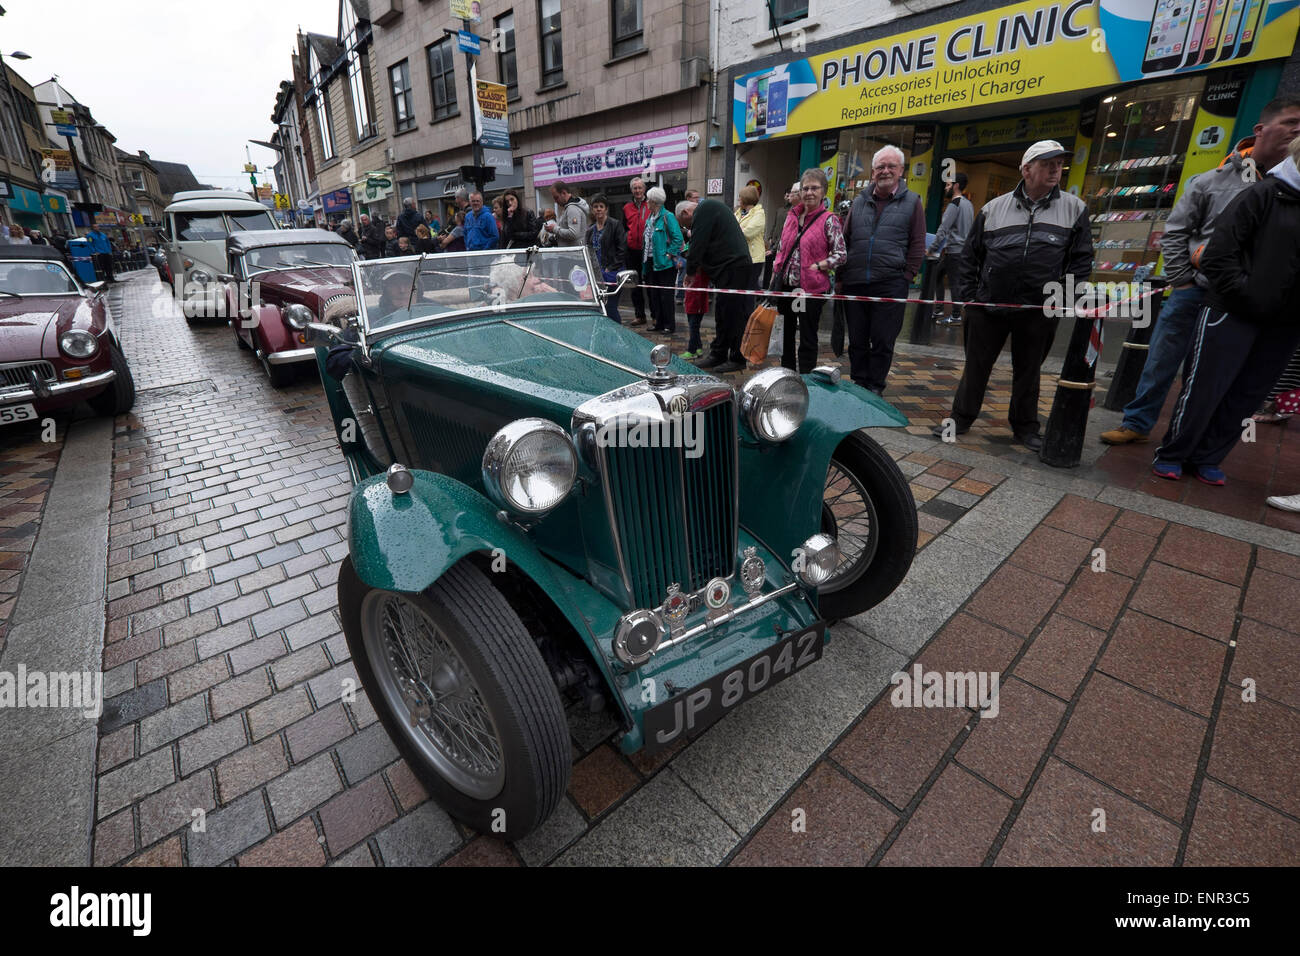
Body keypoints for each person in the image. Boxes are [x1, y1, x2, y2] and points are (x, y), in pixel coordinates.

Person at [1101, 96, 1300, 445]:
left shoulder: (1292, 189)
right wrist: (1182, 281)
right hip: (1196, 289)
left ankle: (1194, 442)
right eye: (1290, 122)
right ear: (1260, 129)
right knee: (1162, 360)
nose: (1297, 131)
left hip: (1243, 300)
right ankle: (1137, 422)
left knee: (1216, 374)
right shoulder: (1213, 179)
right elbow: (1176, 233)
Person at [1149, 138, 1300, 484]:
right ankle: (1173, 452)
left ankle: (1209, 457)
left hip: (1285, 324)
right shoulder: (1264, 194)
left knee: (1249, 393)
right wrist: (1247, 294)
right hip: (1232, 311)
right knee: (1205, 386)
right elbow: (1219, 253)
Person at [933, 140, 1093, 451]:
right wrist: (970, 298)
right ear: (1026, 169)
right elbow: (970, 257)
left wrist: (1063, 298)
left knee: (1029, 371)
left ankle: (1025, 427)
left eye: (1059, 163)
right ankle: (960, 418)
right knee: (976, 367)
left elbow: (1081, 258)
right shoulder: (994, 208)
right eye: (1048, 163)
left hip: (1039, 309)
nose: (1055, 169)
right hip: (988, 307)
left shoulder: (1075, 209)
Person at [841, 145, 925, 394]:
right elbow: (845, 239)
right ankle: (859, 381)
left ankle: (875, 385)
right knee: (856, 339)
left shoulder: (912, 202)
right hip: (856, 281)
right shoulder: (859, 201)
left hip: (890, 282)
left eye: (891, 166)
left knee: (882, 339)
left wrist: (907, 275)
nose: (885, 171)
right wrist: (841, 277)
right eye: (880, 167)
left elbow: (918, 242)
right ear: (873, 171)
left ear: (900, 170)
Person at [770, 168, 847, 375]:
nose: (809, 192)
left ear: (824, 191)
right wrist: (775, 273)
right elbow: (781, 249)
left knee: (807, 336)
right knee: (786, 334)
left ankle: (807, 379)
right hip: (786, 286)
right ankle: (787, 375)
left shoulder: (829, 219)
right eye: (805, 188)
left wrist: (819, 265)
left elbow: (841, 254)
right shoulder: (791, 215)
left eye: (814, 188)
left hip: (810, 289)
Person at [677, 196, 753, 372]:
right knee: (723, 312)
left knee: (734, 315)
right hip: (728, 268)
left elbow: (698, 242)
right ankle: (718, 354)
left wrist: (690, 272)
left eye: (687, 225)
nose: (689, 229)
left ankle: (737, 358)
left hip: (734, 267)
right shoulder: (709, 209)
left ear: (686, 212)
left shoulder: (705, 209)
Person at [928, 172, 973, 325]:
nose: (946, 188)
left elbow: (943, 228)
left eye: (948, 185)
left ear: (956, 186)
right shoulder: (968, 204)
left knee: (954, 283)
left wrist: (932, 248)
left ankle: (955, 316)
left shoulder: (955, 204)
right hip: (960, 251)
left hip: (954, 251)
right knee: (938, 275)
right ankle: (939, 308)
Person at [641, 186, 683, 335]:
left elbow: (678, 238)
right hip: (651, 261)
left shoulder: (668, 216)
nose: (646, 202)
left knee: (666, 296)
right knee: (654, 295)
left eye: (649, 200)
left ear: (655, 202)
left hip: (665, 264)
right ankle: (658, 322)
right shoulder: (650, 218)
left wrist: (669, 255)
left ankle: (668, 325)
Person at [587, 194, 626, 322]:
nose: (598, 209)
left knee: (610, 306)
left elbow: (622, 250)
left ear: (606, 209)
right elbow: (588, 250)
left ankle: (618, 333)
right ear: (592, 209)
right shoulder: (590, 230)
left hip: (612, 273)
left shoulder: (615, 225)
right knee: (599, 307)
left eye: (601, 206)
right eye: (595, 207)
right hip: (596, 274)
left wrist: (610, 268)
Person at [623, 177, 651, 326]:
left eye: (640, 188)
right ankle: (640, 315)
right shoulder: (627, 207)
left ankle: (656, 316)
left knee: (652, 284)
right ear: (631, 190)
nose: (637, 191)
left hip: (648, 252)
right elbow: (624, 228)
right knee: (635, 285)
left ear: (644, 189)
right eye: (635, 188)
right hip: (632, 251)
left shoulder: (651, 205)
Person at [735, 185, 766, 316]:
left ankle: (748, 319)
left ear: (746, 198)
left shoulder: (759, 213)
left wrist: (735, 231)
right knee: (740, 290)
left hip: (754, 258)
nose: (738, 199)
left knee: (748, 291)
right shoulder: (738, 213)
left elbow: (748, 232)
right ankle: (740, 317)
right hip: (740, 257)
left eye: (740, 197)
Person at [763, 182, 799, 290]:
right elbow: (774, 225)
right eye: (787, 195)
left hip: (780, 245)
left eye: (790, 195)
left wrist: (775, 248)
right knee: (769, 269)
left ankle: (772, 288)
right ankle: (766, 289)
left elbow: (785, 233)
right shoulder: (780, 210)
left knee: (777, 269)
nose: (788, 197)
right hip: (773, 242)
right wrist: (770, 236)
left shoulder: (791, 212)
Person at [546, 181, 590, 246]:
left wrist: (554, 229)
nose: (555, 201)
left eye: (556, 197)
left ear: (564, 193)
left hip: (573, 253)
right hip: (572, 252)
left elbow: (573, 233)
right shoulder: (569, 207)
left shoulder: (572, 209)